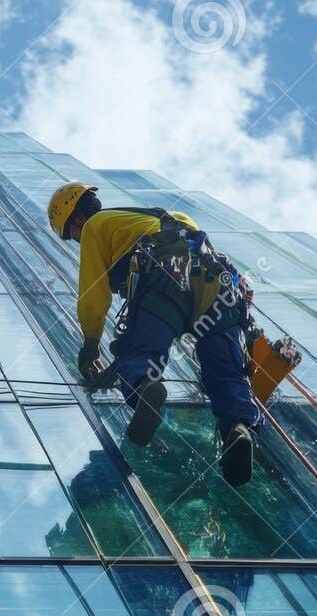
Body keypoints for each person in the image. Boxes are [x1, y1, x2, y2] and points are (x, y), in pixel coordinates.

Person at [48, 182, 260, 485]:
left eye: (73, 235)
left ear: (77, 220)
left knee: (141, 352)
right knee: (227, 373)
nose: (77, 240)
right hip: (217, 289)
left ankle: (145, 388)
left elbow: (93, 292)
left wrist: (91, 343)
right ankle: (238, 427)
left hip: (166, 277)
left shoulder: (96, 226)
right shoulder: (167, 217)